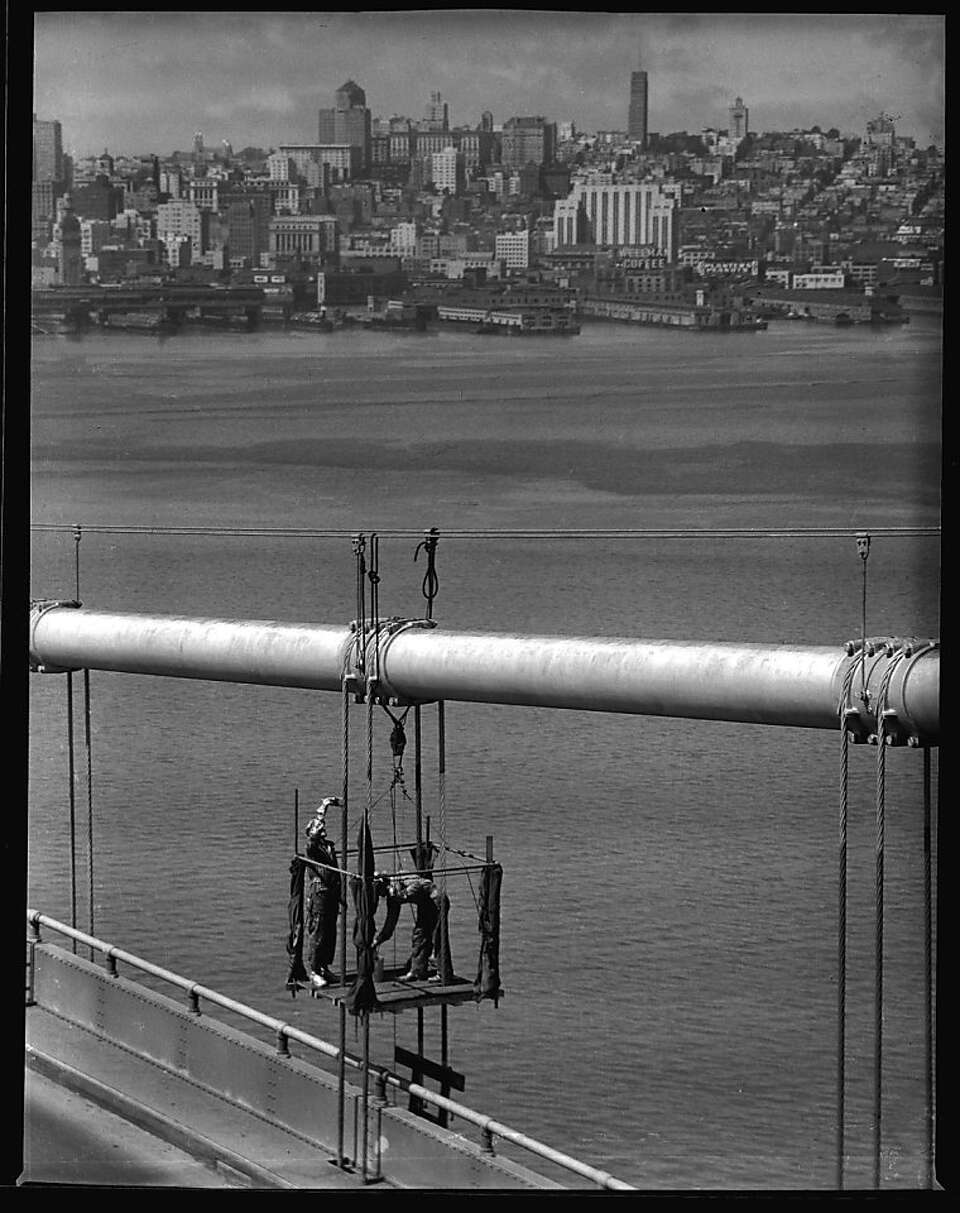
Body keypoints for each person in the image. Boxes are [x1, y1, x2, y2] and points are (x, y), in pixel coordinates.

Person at [303, 798, 342, 992]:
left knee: (330, 933)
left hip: (332, 893)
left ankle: (324, 967)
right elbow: (312, 837)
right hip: (319, 894)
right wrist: (322, 809)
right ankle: (314, 970)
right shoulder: (312, 848)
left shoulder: (328, 846)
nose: (321, 827)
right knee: (317, 931)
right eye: (317, 827)